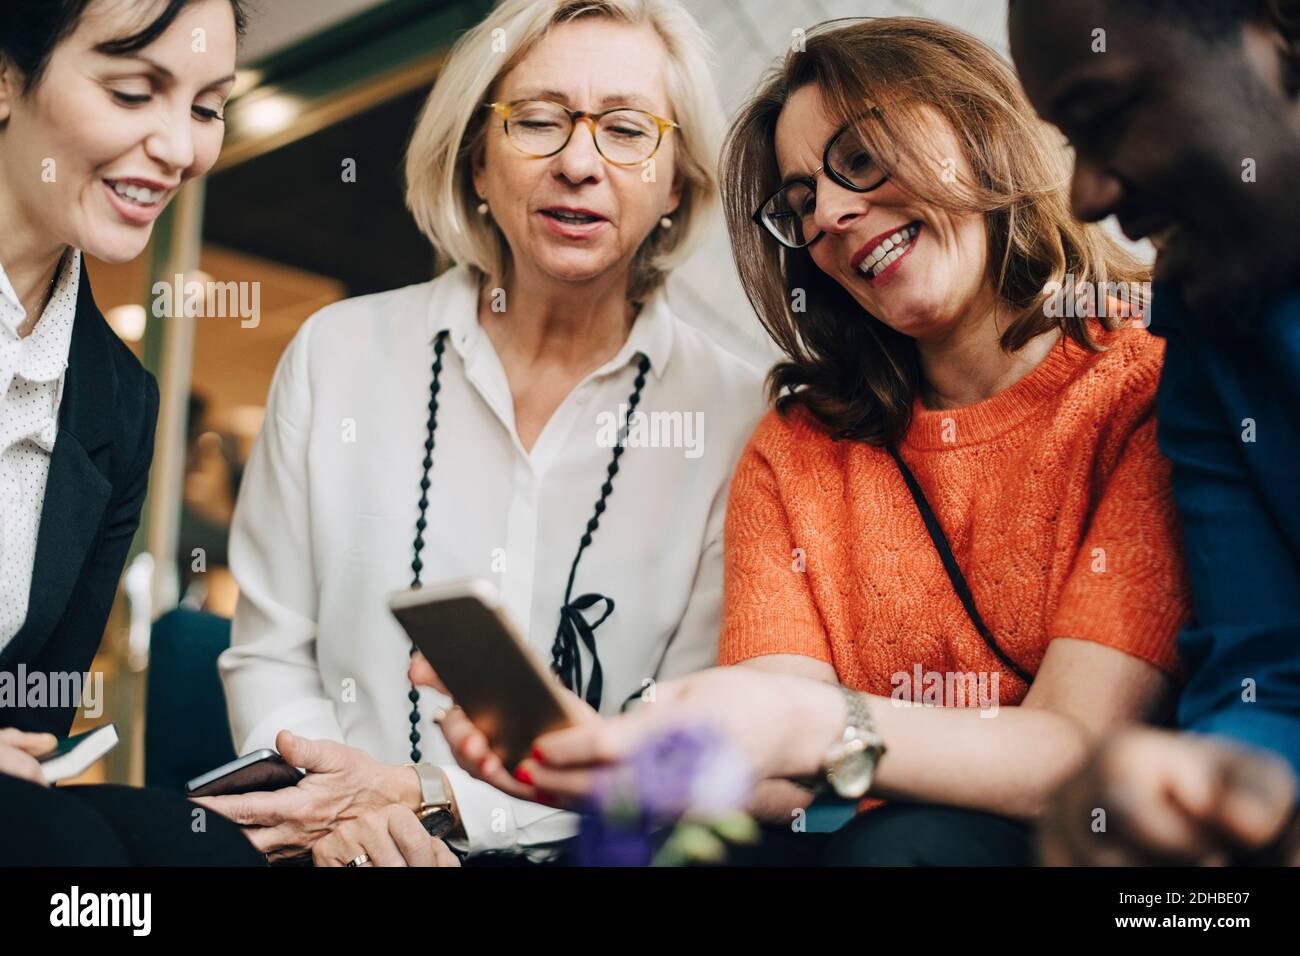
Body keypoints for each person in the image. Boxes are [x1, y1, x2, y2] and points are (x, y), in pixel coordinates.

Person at [422, 17, 1192, 866]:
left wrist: (822, 726)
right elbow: (778, 770)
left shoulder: (1148, 387)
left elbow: (1071, 754)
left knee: (913, 846)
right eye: (799, 205)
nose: (829, 213)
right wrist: (614, 762)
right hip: (847, 848)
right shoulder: (798, 447)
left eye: (859, 160)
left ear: (978, 128)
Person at [202, 0, 764, 867]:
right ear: (475, 161)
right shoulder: (337, 355)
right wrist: (340, 813)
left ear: (676, 183)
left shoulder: (736, 417)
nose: (578, 162)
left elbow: (681, 741)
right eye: (537, 121)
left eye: (625, 130)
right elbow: (271, 652)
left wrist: (442, 805)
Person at [1009, 0, 1300, 865]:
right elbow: (1270, 676)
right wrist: (1203, 792)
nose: (1087, 196)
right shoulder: (1210, 344)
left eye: (1105, 118)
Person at [0, 0, 261, 865]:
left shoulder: (118, 401)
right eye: (132, 91)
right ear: (6, 76)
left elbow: (31, 717)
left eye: (205, 107)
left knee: (209, 854)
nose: (180, 149)